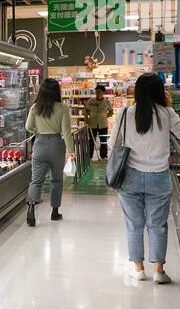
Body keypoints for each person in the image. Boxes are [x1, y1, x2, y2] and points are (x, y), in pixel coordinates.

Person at [115, 73, 180, 284]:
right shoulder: (167, 113)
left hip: (129, 176)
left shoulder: (125, 113)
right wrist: (169, 105)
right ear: (160, 92)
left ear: (137, 91)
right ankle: (159, 270)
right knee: (158, 225)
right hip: (158, 176)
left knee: (133, 224)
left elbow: (113, 143)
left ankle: (138, 269)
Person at [24, 77, 74, 226]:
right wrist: (71, 151)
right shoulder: (62, 108)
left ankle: (31, 207)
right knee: (56, 180)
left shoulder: (35, 107)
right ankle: (54, 212)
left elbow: (28, 127)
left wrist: (38, 131)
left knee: (36, 180)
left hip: (39, 144)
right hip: (56, 145)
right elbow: (66, 132)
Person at [84, 84, 114, 160]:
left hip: (103, 124)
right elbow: (86, 111)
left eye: (99, 92)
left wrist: (105, 116)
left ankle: (104, 156)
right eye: (96, 92)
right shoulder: (91, 101)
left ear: (103, 92)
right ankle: (89, 156)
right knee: (91, 141)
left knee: (103, 141)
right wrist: (86, 118)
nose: (97, 94)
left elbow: (111, 111)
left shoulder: (107, 102)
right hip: (92, 124)